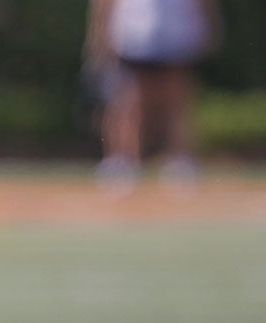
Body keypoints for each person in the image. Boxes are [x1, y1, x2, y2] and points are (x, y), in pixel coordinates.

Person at [84, 0, 222, 193]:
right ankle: (121, 162)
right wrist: (100, 35)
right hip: (134, 35)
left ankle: (180, 161)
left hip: (177, 33)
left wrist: (208, 26)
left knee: (177, 103)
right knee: (128, 103)